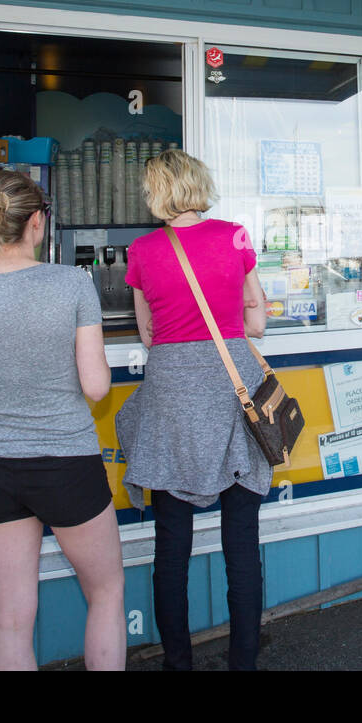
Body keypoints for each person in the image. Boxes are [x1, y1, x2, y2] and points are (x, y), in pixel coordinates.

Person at [0, 169, 125, 671]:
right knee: (105, 593)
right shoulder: (71, 284)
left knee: (11, 618)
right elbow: (96, 387)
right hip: (66, 461)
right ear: (38, 221)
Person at [115, 149, 270, 671]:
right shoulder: (235, 236)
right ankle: (243, 658)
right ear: (199, 184)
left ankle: (177, 662)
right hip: (232, 388)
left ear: (156, 192)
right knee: (241, 541)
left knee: (171, 545)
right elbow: (256, 324)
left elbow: (148, 333)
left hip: (172, 397)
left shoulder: (141, 250)